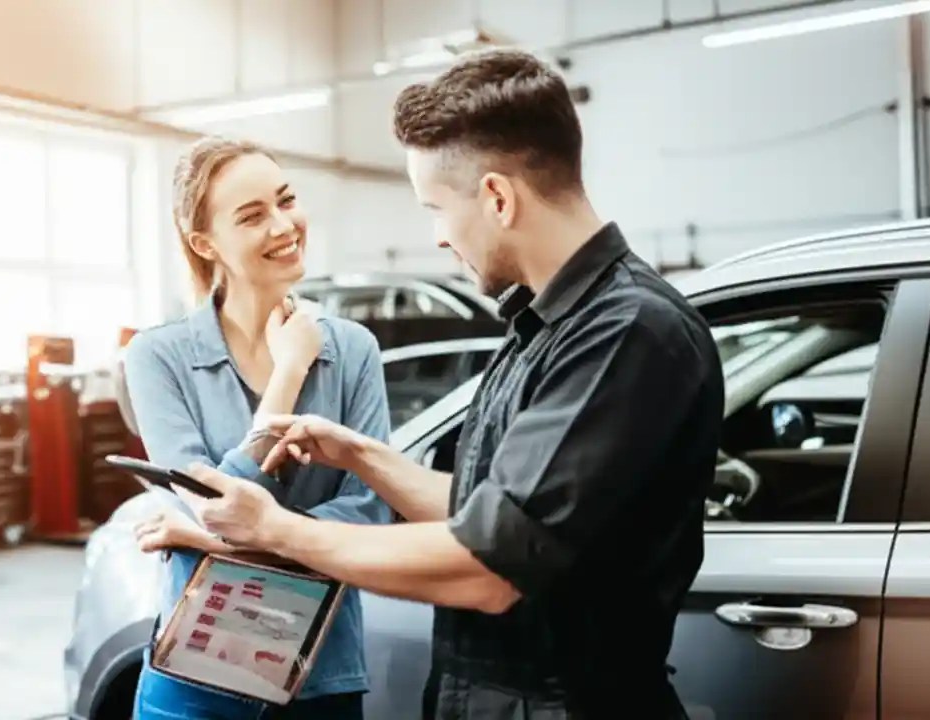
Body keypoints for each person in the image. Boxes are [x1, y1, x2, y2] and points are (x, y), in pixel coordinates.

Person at [183, 50, 725, 719]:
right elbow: (495, 512)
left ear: (497, 196)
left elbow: (491, 567)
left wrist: (276, 529)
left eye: (435, 208)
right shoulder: (547, 327)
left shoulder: (625, 334)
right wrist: (358, 454)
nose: (438, 237)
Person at [124, 137, 392, 720]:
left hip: (320, 675)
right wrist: (289, 371)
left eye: (286, 200)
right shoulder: (157, 357)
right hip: (197, 668)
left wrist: (204, 538)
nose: (283, 225)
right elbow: (210, 505)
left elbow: (370, 518)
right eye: (251, 216)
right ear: (205, 243)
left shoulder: (353, 350)